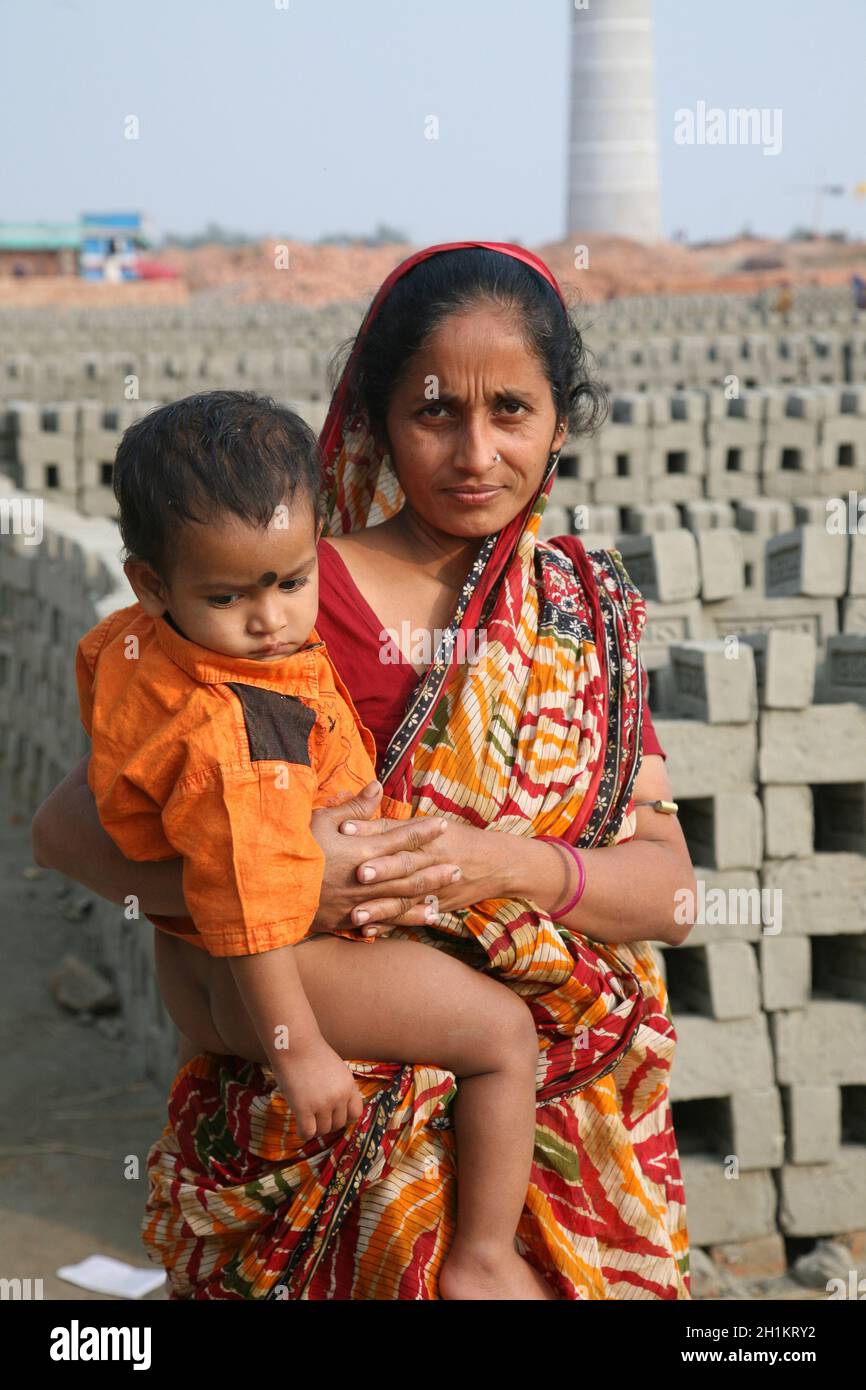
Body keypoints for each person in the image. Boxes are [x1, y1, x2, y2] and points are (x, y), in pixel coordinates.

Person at [32, 241, 696, 1300]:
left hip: (533, 1112)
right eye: (436, 412)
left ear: (559, 422)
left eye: (511, 411)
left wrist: (500, 865)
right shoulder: (287, 601)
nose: (474, 451)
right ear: (380, 419)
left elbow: (666, 893)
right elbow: (71, 835)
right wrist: (292, 884)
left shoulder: (578, 616)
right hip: (320, 1101)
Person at [76, 389, 555, 1301]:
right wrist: (297, 1048)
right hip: (284, 969)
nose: (271, 622)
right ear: (152, 583)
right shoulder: (247, 730)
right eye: (230, 596)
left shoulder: (134, 649)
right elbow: (249, 901)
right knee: (502, 1034)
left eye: (293, 583)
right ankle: (485, 1259)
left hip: (206, 967)